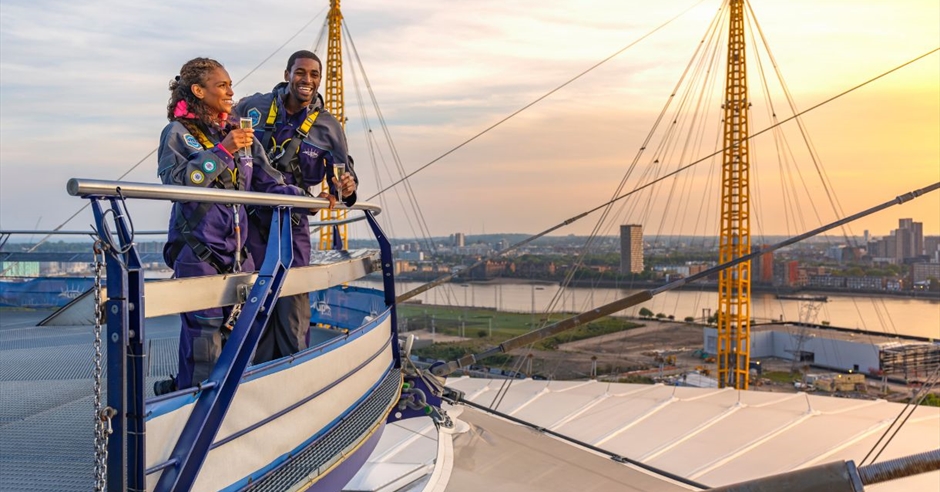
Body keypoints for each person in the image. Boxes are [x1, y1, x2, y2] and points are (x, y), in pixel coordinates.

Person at [155, 57, 306, 395]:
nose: (230, 92)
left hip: (240, 257)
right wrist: (223, 151)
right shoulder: (177, 134)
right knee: (203, 349)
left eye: (230, 85)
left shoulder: (240, 135)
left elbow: (269, 182)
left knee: (240, 346)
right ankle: (190, 418)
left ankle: (209, 408)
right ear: (198, 90)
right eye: (222, 85)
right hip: (199, 254)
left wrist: (310, 199)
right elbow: (178, 182)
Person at [235, 50, 358, 363]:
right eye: (301, 72)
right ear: (287, 73)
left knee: (293, 302)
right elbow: (221, 131)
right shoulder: (255, 107)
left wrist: (345, 186)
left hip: (294, 222)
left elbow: (344, 174)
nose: (307, 80)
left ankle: (292, 369)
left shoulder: (328, 127)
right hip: (251, 219)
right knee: (256, 297)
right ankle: (255, 372)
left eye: (314, 75)